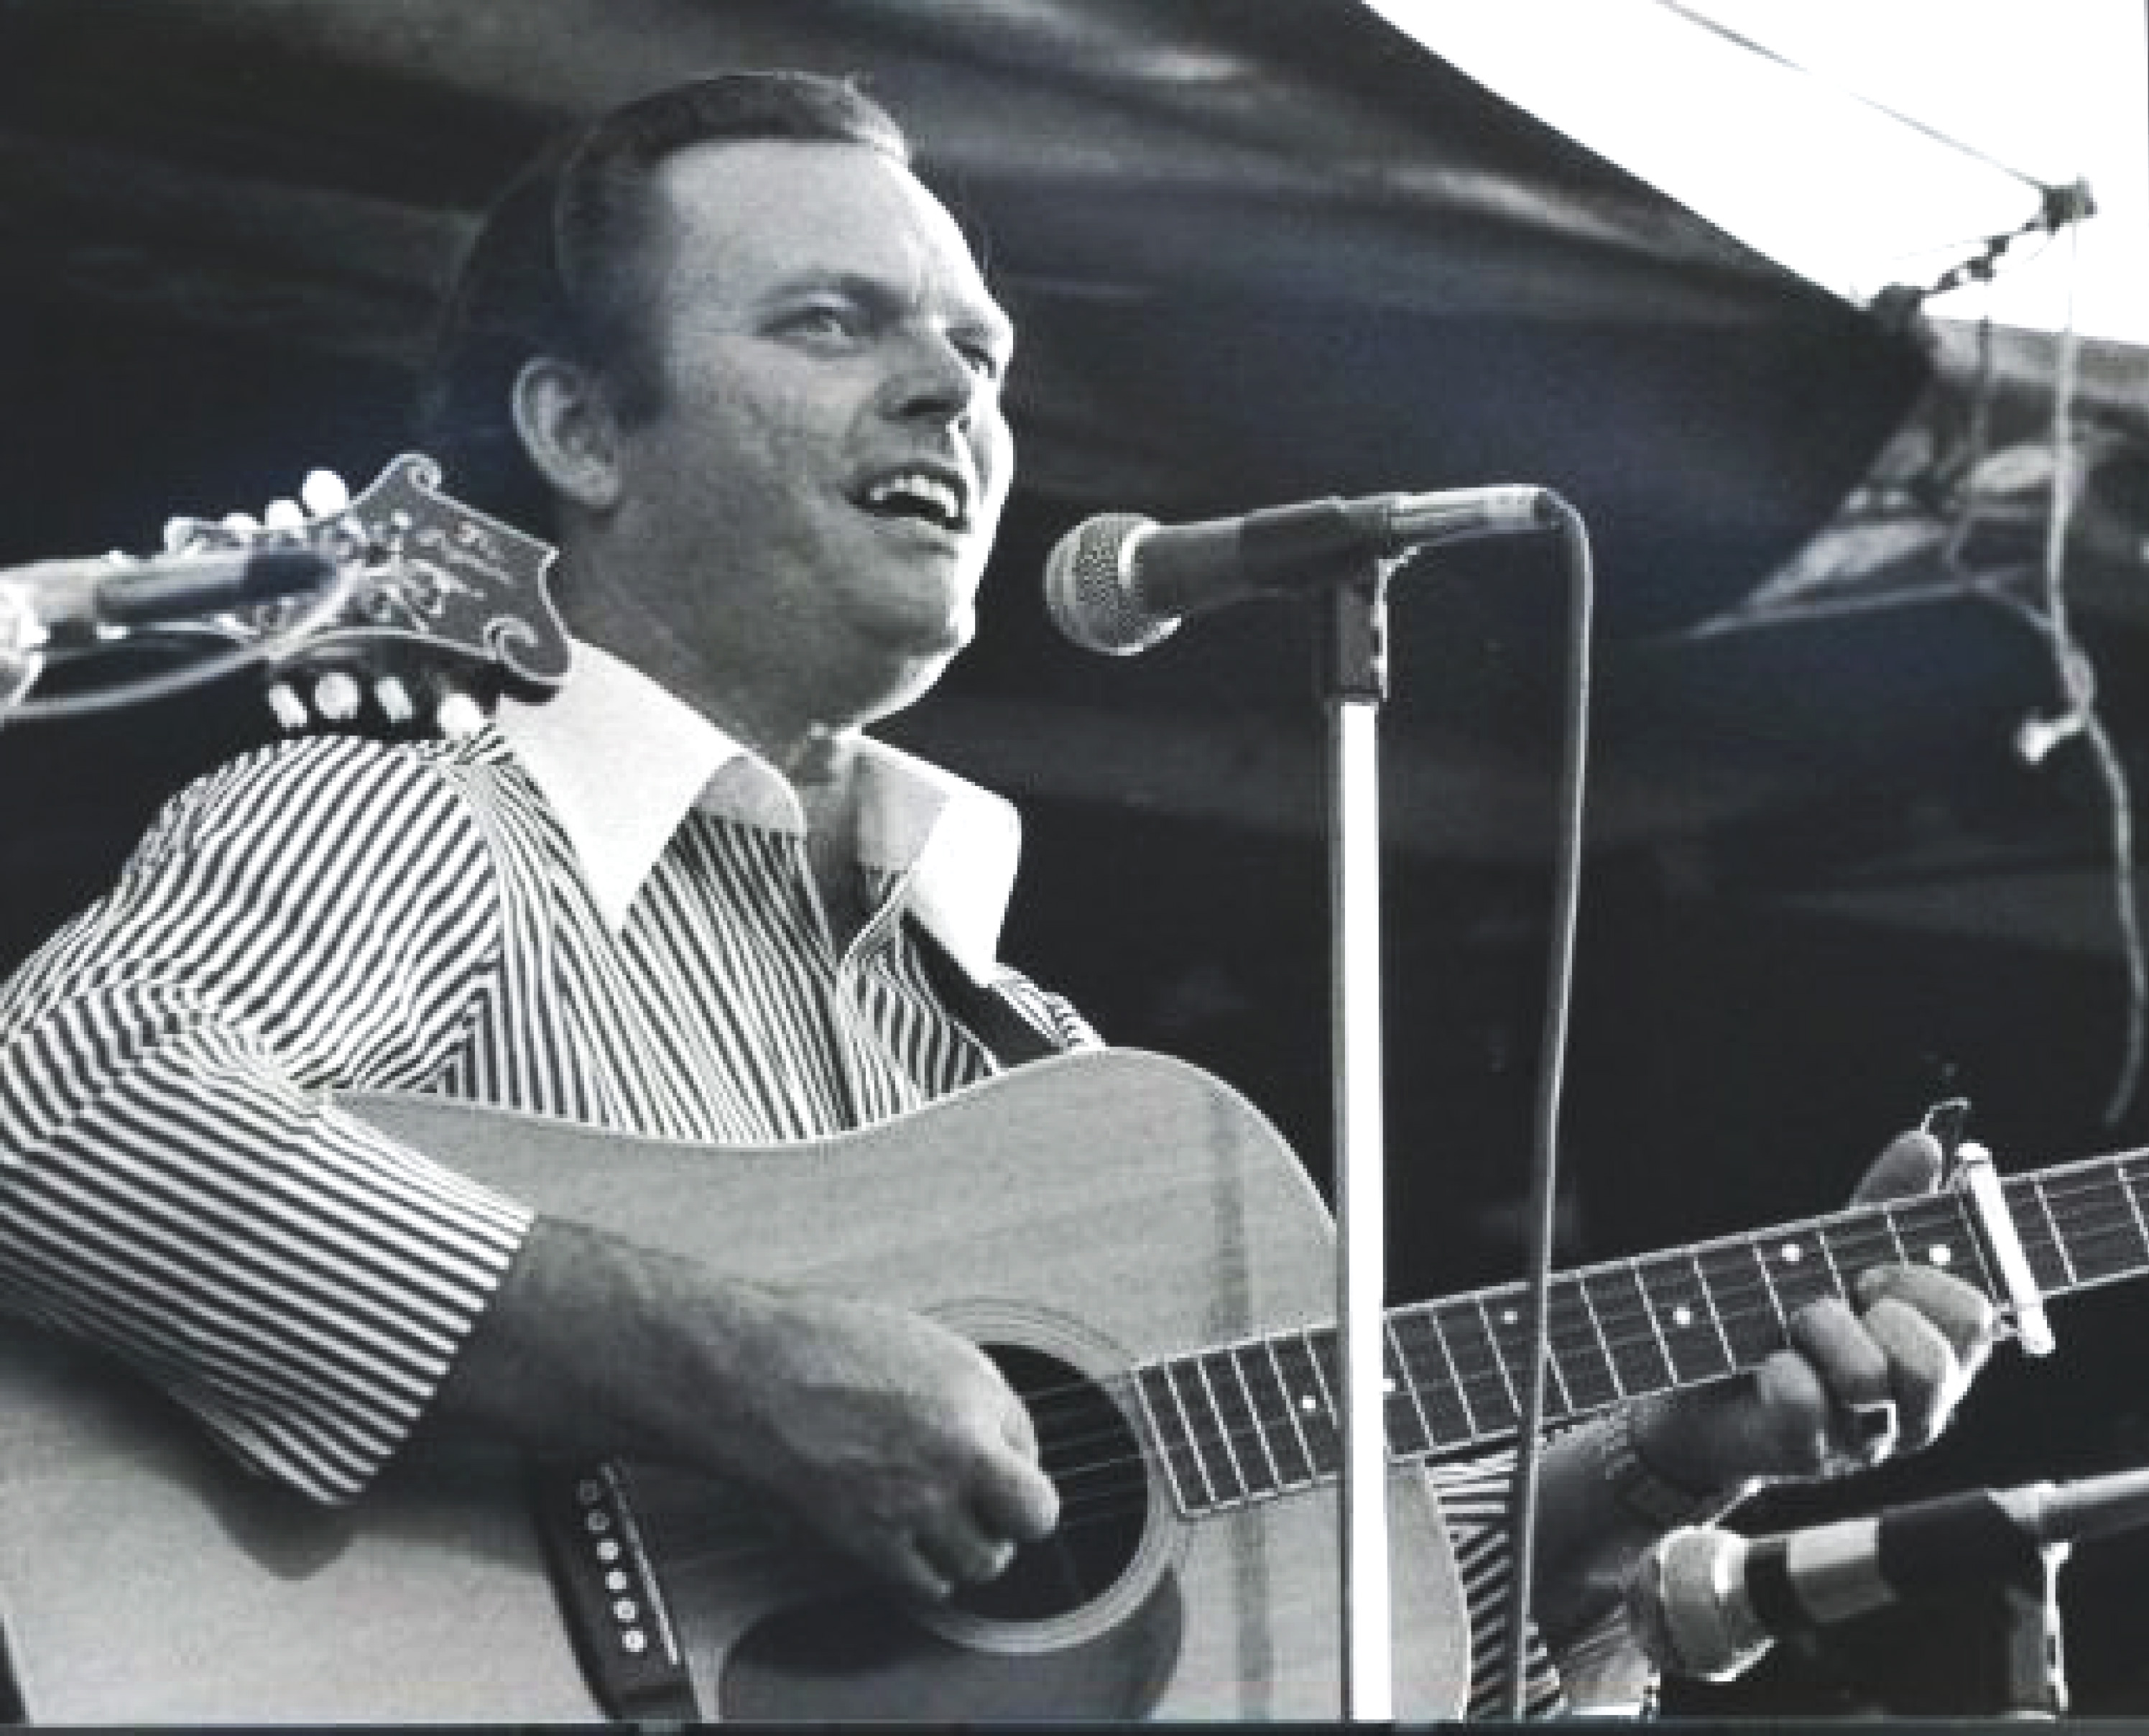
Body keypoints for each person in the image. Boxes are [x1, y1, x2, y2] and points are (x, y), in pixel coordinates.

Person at [0, 70, 1995, 1717]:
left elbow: (1322, 1654)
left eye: (979, 352)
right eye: (830, 323)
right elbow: (63, 1108)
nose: (951, 396)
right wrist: (747, 1379)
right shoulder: (416, 827)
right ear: (580, 428)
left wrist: (1662, 1454)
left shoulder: (1029, 1055)